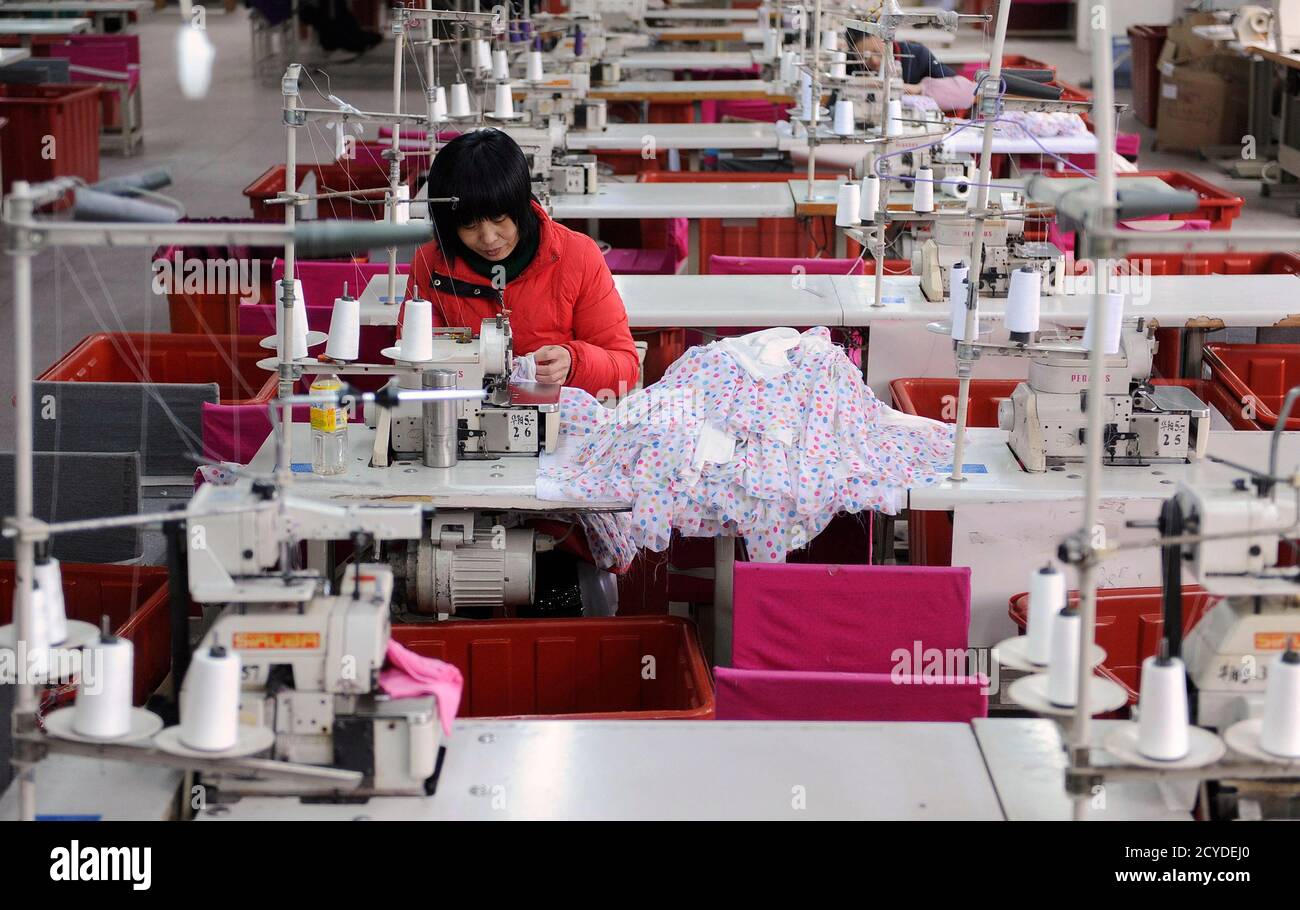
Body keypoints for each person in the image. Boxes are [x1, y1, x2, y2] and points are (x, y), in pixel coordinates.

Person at [410, 129, 640, 399]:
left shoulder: (577, 256)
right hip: (461, 415)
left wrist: (574, 362)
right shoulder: (432, 264)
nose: (488, 238)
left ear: (519, 204)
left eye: (498, 218)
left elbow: (624, 366)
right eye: (468, 225)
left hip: (558, 418)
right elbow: (413, 361)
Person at [847, 29, 976, 110]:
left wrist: (917, 89)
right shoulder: (852, 63)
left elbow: (968, 93)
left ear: (885, 38)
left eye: (876, 51)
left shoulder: (917, 55)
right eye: (865, 57)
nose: (873, 61)